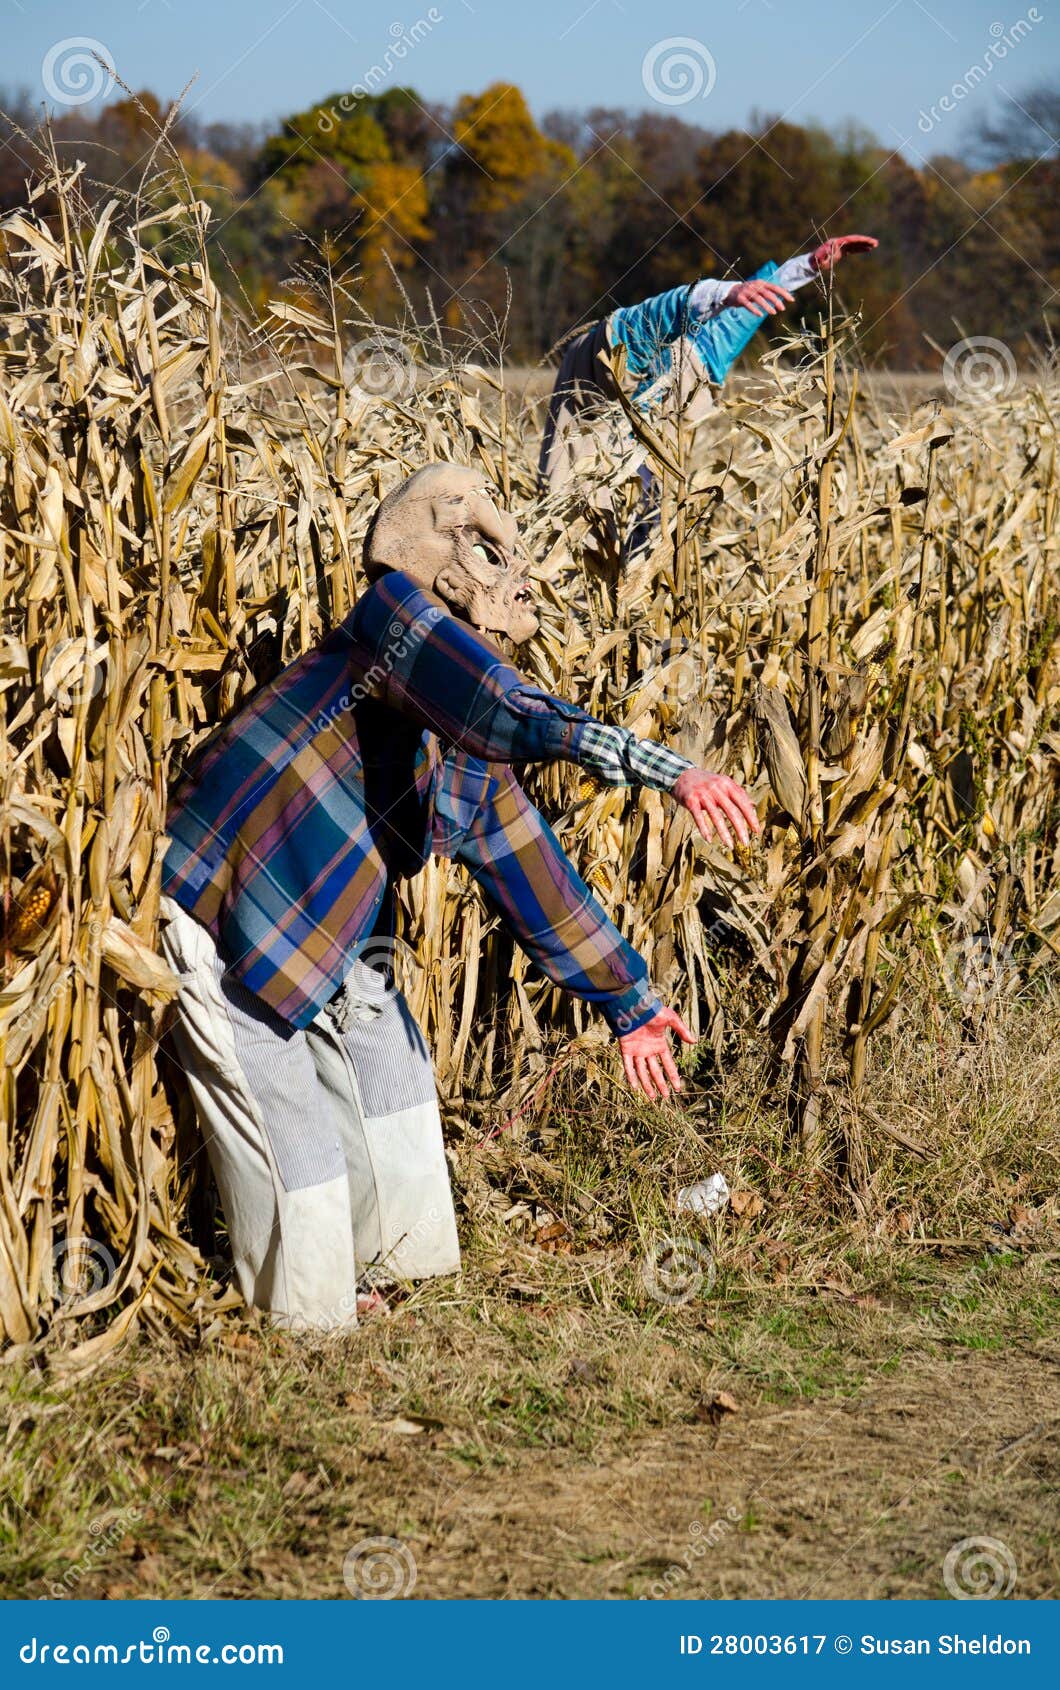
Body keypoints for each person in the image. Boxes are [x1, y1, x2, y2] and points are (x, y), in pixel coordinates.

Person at [160, 464, 760, 1330]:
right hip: (222, 909)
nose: (520, 579)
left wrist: (629, 1002)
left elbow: (535, 876)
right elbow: (494, 699)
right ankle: (310, 1325)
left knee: (392, 1061)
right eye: (491, 552)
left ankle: (397, 1281)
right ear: (436, 560)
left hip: (318, 935)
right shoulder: (391, 625)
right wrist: (660, 769)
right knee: (288, 1126)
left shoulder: (464, 758)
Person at [538, 234, 879, 499]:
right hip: (592, 403)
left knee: (656, 504)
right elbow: (656, 316)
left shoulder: (697, 371)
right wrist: (722, 292)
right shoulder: (611, 359)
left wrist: (809, 265)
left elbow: (755, 300)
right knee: (567, 504)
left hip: (650, 419)